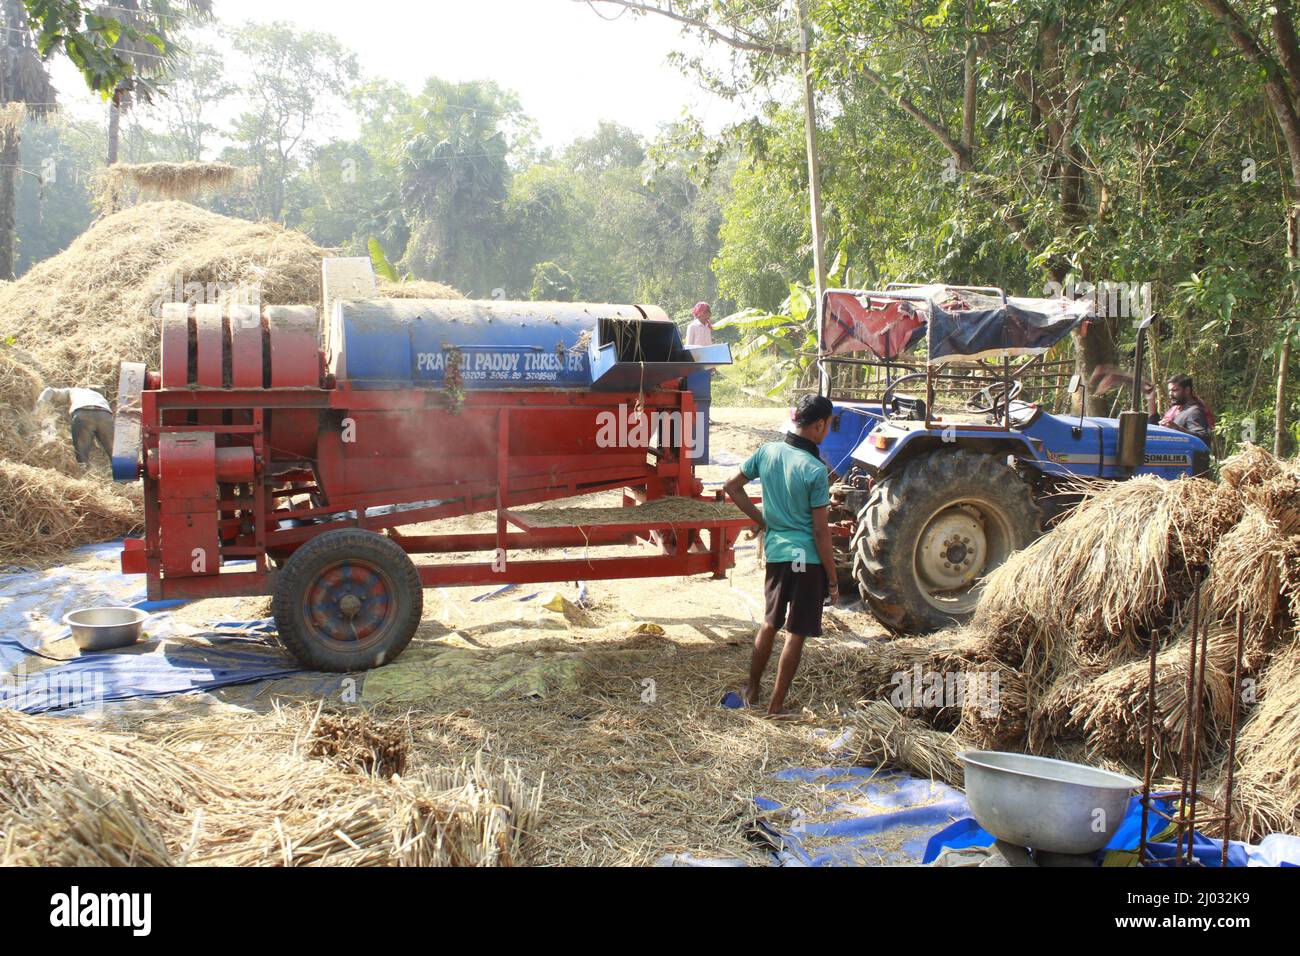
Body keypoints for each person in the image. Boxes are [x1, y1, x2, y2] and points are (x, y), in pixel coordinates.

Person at [723, 394, 838, 718]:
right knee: (796, 632)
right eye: (827, 426)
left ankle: (752, 689)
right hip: (807, 562)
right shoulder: (815, 470)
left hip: (776, 553)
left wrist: (762, 521)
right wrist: (832, 579)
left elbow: (731, 486)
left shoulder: (767, 451)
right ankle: (775, 707)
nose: (826, 431)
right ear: (819, 425)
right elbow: (820, 532)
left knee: (770, 623)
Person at [36, 386, 114, 467]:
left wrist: (39, 406)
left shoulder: (74, 390)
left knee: (81, 452)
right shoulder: (100, 397)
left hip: (83, 413)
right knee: (114, 451)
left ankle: (84, 473)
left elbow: (49, 390)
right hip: (105, 415)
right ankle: (124, 475)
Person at [1147, 373, 1214, 442]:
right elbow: (1156, 431)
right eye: (1169, 390)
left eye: (1174, 390)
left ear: (1187, 390)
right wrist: (1151, 399)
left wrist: (1177, 428)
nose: (1170, 394)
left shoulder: (1194, 412)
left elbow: (1203, 439)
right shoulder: (1176, 409)